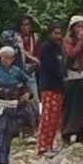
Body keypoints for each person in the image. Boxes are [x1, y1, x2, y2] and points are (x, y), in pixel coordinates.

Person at [62, 15, 83, 145]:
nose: (81, 29)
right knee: (72, 106)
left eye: (82, 26)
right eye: (78, 26)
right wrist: (80, 42)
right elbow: (71, 54)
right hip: (73, 77)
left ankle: (81, 133)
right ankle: (67, 132)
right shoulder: (68, 41)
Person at [34, 23, 65, 155]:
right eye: (55, 33)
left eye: (59, 33)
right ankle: (42, 146)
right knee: (47, 117)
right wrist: (62, 75)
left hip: (59, 87)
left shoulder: (59, 48)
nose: (58, 36)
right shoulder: (46, 48)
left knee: (55, 118)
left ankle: (50, 145)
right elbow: (51, 67)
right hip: (49, 86)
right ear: (50, 34)